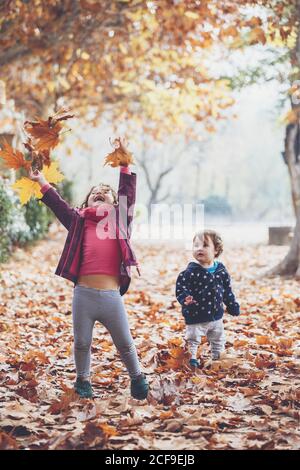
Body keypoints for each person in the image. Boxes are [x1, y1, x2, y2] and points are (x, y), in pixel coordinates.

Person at [27, 142, 148, 400]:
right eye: (96, 192)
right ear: (87, 200)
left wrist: (125, 165)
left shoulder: (119, 221)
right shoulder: (78, 220)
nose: (101, 193)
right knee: (82, 343)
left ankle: (137, 376)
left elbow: (127, 193)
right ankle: (83, 380)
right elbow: (58, 205)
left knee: (124, 344)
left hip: (111, 297)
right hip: (83, 295)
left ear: (116, 204)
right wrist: (42, 182)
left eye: (107, 192)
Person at [175, 230, 240, 368]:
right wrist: (185, 298)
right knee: (193, 338)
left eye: (205, 245)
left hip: (216, 315)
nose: (199, 248)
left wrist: (232, 304)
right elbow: (181, 288)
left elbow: (227, 291)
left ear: (216, 250)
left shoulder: (221, 271)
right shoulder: (190, 272)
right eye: (196, 245)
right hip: (195, 314)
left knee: (218, 338)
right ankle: (191, 357)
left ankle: (217, 357)